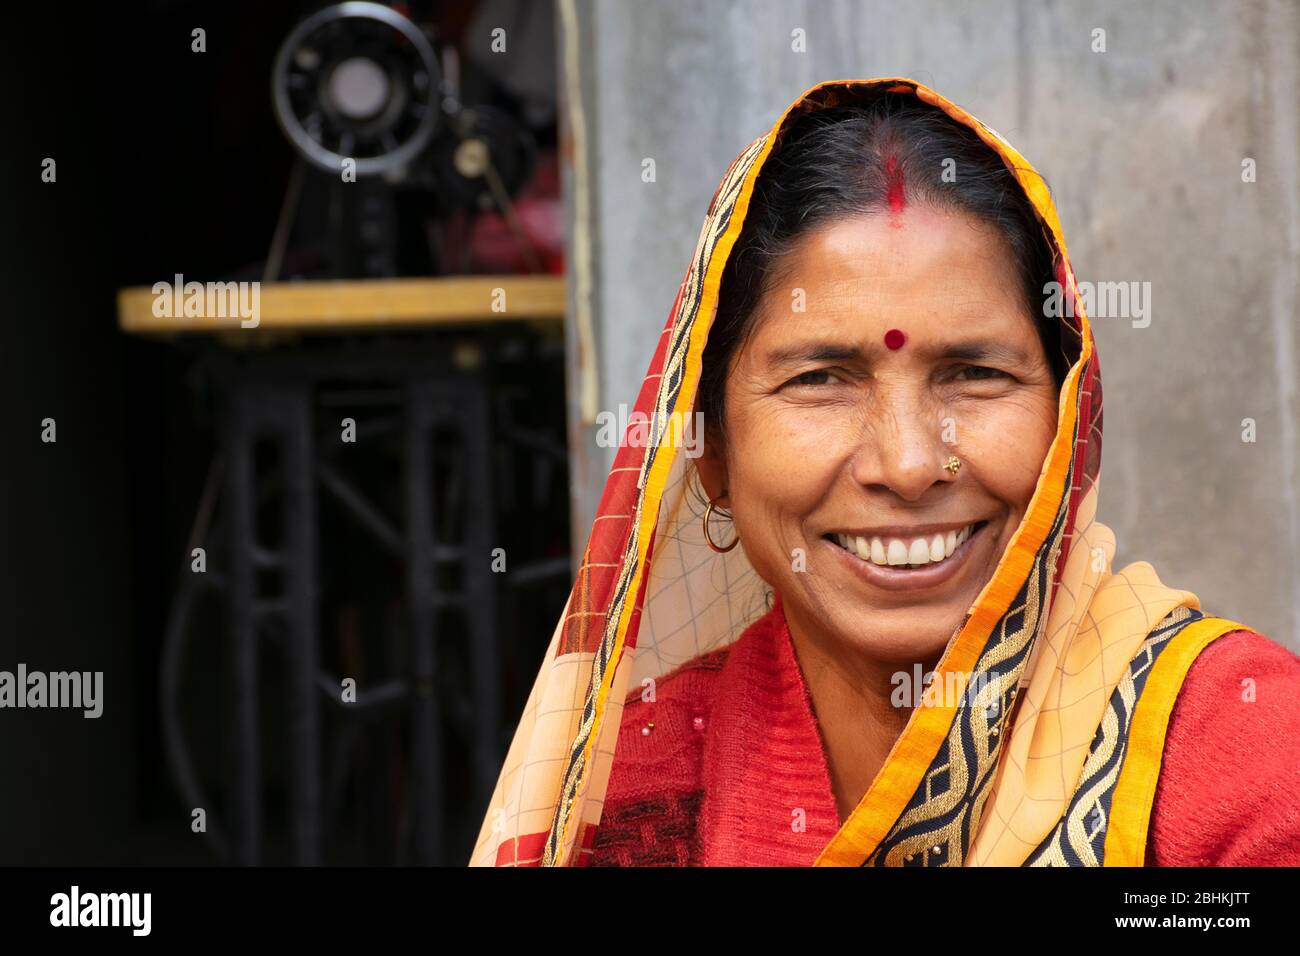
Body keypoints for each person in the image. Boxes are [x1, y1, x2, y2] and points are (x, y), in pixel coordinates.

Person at [469, 78, 1300, 867]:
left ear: (1068, 420)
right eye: (820, 379)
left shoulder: (1244, 751)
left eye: (975, 373)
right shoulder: (627, 789)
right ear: (712, 453)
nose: (908, 465)